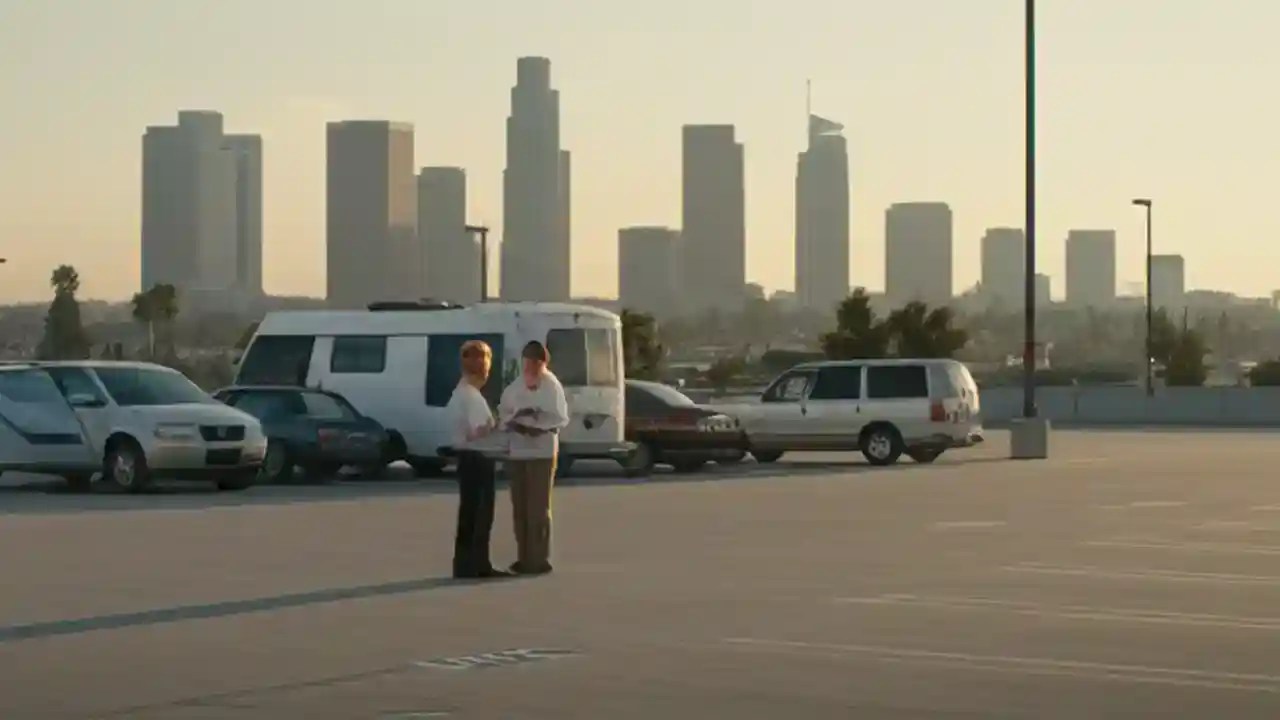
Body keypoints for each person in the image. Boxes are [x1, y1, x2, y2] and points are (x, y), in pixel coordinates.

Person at [498, 340, 570, 575]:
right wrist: (515, 423)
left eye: (535, 362)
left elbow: (561, 418)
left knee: (538, 508)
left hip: (542, 451)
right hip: (518, 451)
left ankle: (539, 559)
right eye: (527, 361)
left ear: (543, 363)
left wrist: (539, 425)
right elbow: (504, 414)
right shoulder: (515, 387)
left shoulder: (551, 386)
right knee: (520, 507)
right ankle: (523, 557)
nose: (531, 366)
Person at [445, 340, 510, 579]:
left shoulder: (460, 392)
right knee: (480, 513)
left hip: (468, 457)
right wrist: (500, 425)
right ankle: (477, 564)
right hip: (477, 456)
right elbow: (477, 431)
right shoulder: (471, 396)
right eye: (485, 360)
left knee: (469, 512)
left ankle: (464, 564)